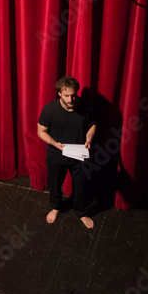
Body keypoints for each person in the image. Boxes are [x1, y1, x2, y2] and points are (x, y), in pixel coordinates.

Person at [37, 75, 96, 229]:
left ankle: (82, 212)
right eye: (67, 96)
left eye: (73, 95)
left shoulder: (84, 106)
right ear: (59, 93)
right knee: (55, 184)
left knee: (82, 185)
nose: (71, 99)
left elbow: (92, 125)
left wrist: (89, 138)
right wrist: (55, 144)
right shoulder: (49, 110)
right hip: (57, 154)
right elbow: (41, 131)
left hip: (79, 154)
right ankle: (56, 207)